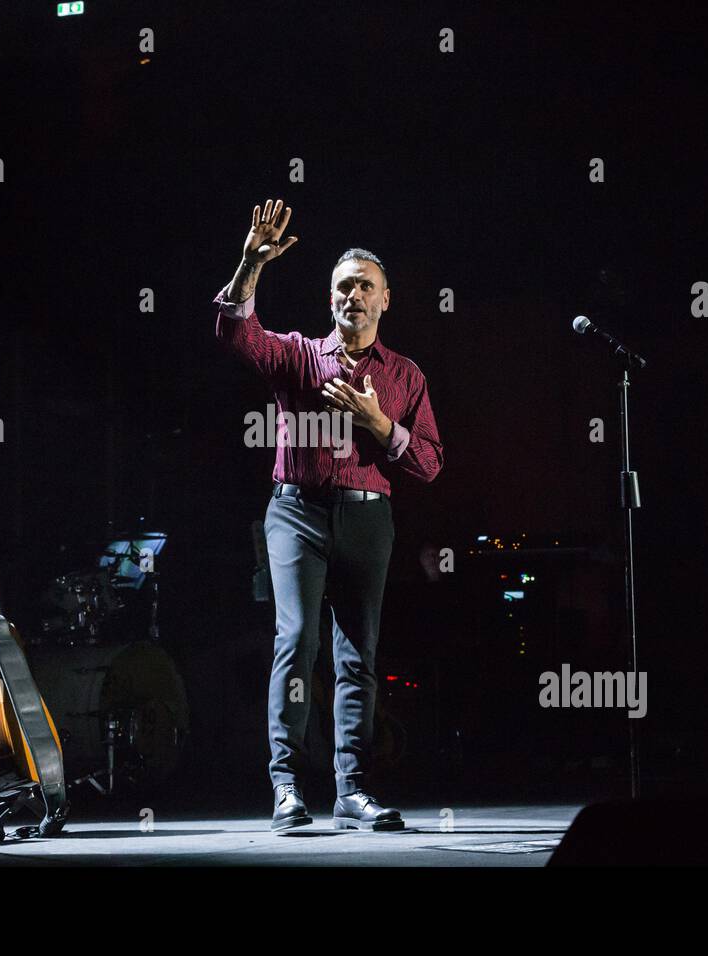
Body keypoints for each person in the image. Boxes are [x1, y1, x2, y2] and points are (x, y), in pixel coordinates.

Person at [214, 198, 443, 831]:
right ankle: (287, 786)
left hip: (368, 518)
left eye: (366, 287)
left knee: (358, 654)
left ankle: (353, 789)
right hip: (297, 514)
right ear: (330, 298)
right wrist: (250, 264)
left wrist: (379, 423)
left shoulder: (404, 376)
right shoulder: (296, 356)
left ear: (385, 300)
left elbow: (428, 462)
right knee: (296, 641)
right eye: (344, 287)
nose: (354, 296)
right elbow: (237, 332)